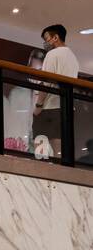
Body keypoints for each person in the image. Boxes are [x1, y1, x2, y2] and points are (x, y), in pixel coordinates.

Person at [34, 25, 81, 157]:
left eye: (47, 39)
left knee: (40, 150)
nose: (46, 43)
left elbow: (46, 82)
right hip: (67, 107)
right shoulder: (73, 57)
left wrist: (38, 106)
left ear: (56, 37)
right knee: (60, 151)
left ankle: (41, 175)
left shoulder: (52, 54)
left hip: (50, 108)